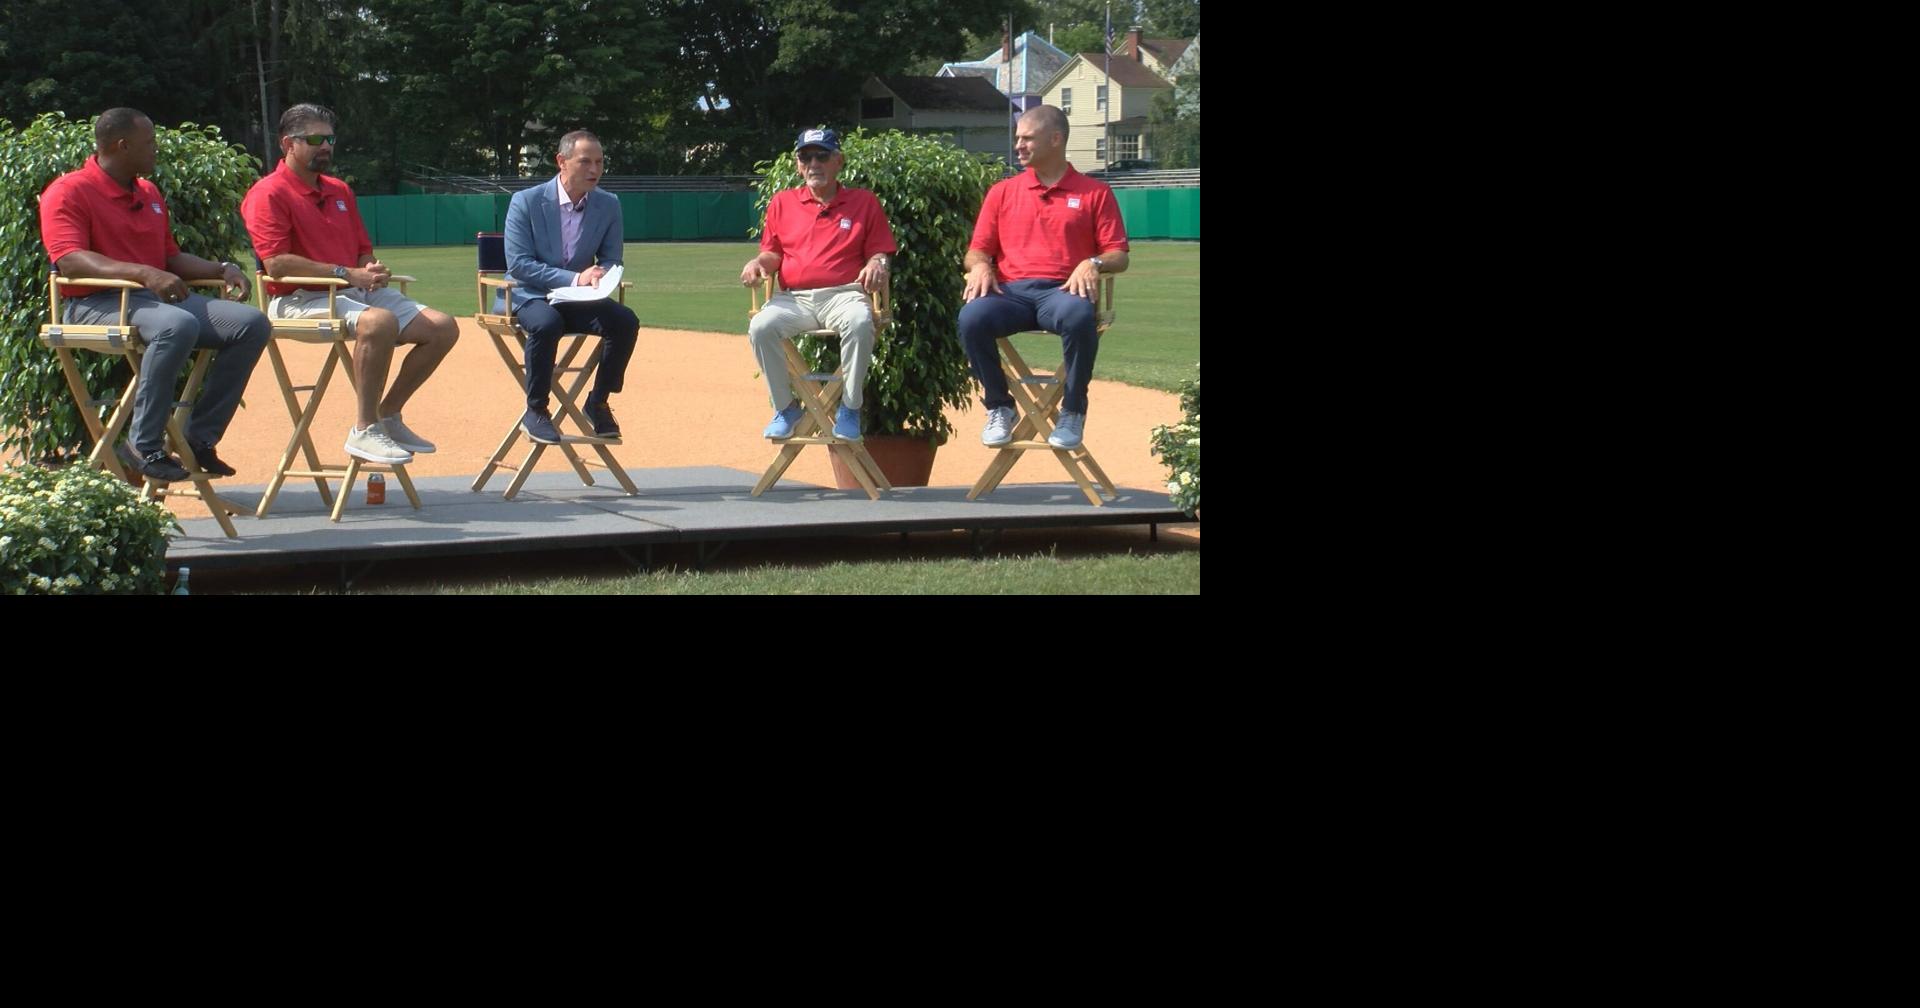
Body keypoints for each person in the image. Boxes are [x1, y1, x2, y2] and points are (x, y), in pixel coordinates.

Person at [40, 107, 270, 482]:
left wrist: (220, 269)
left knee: (251, 323)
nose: (156, 151)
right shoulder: (68, 191)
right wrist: (144, 274)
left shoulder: (148, 192)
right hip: (93, 304)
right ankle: (143, 445)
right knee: (175, 324)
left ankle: (198, 438)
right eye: (150, 144)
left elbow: (170, 257)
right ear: (122, 145)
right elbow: (71, 262)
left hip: (153, 305)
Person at [242, 102, 459, 465]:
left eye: (330, 139)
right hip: (297, 298)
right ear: (287, 144)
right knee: (379, 321)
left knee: (443, 327)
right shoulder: (268, 192)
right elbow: (276, 263)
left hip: (349, 292)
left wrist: (370, 268)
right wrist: (346, 274)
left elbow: (361, 251)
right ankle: (363, 429)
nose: (325, 146)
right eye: (314, 138)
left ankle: (387, 415)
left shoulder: (339, 190)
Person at [959, 105, 1129, 450]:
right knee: (971, 317)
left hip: (1063, 293)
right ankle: (999, 407)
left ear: (1055, 139)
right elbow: (976, 251)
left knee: (1080, 316)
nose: (1018, 145)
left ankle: (1073, 411)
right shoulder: (1002, 192)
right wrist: (979, 266)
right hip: (1011, 295)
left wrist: (1093, 262)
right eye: (1017, 138)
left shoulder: (1094, 192)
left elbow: (1119, 256)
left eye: (1027, 138)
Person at [739, 127, 896, 442]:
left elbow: (880, 251)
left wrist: (877, 264)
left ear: (839, 161)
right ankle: (786, 409)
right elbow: (772, 254)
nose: (813, 163)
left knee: (861, 321)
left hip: (845, 295)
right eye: (805, 156)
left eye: (822, 156)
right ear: (798, 165)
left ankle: (850, 408)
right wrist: (757, 264)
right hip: (794, 299)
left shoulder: (863, 201)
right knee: (761, 327)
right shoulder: (782, 202)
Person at [501, 129, 638, 444]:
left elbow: (611, 259)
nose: (594, 170)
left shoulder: (608, 204)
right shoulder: (526, 201)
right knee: (547, 324)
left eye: (600, 162)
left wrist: (601, 274)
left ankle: (598, 400)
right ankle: (536, 410)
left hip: (576, 299)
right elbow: (519, 265)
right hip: (528, 294)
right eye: (585, 162)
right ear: (561, 161)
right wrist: (576, 278)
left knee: (624, 321)